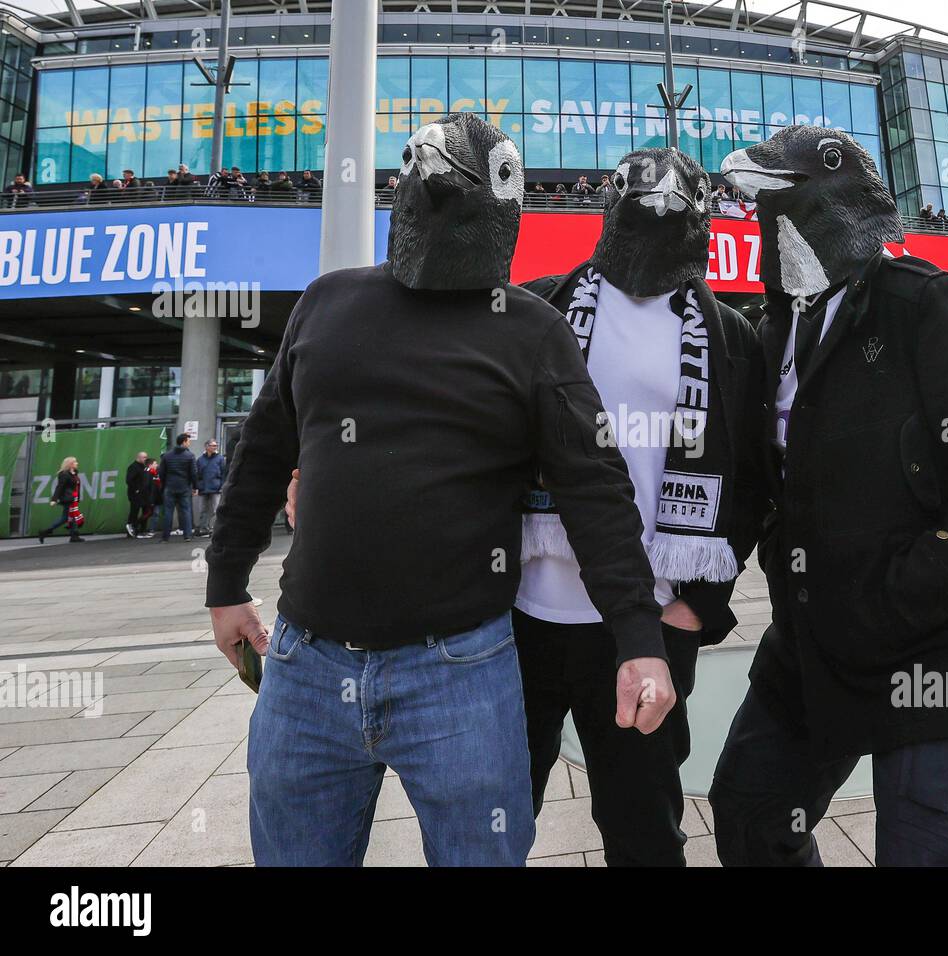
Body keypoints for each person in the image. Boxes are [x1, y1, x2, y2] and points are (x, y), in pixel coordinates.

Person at [207, 115, 675, 868]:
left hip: (460, 676)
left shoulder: (531, 330)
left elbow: (595, 490)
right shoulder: (327, 303)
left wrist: (638, 637)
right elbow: (263, 450)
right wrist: (226, 583)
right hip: (305, 670)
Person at [714, 125, 948, 867]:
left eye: (782, 192)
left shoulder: (926, 305)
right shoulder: (775, 332)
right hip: (807, 649)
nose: (764, 218)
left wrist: (899, 594)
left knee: (930, 850)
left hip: (936, 653)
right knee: (750, 818)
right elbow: (751, 488)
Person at [508, 147, 765, 866]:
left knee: (646, 829)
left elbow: (753, 485)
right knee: (493, 821)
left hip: (648, 626)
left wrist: (698, 605)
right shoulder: (538, 308)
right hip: (526, 617)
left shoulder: (729, 339)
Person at [157, 433, 199, 542]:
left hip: (169, 486)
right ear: (184, 442)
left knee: (168, 512)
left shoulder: (167, 455)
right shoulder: (190, 456)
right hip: (184, 486)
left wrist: (164, 484)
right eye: (188, 441)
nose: (189, 443)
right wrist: (195, 486)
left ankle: (165, 537)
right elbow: (194, 473)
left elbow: (161, 473)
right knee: (186, 511)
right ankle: (187, 535)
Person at [37, 457, 86, 544]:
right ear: (70, 464)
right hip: (68, 499)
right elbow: (59, 487)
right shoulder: (64, 474)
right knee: (67, 518)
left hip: (73, 498)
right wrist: (54, 499)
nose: (77, 463)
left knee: (71, 517)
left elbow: (76, 487)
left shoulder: (74, 473)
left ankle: (74, 536)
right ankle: (45, 532)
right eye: (75, 462)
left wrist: (77, 497)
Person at [195, 438, 226, 537]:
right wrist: (197, 486)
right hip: (203, 488)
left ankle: (213, 528)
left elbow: (223, 473)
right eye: (213, 445)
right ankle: (203, 529)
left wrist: (222, 485)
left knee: (215, 510)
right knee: (202, 510)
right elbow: (197, 474)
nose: (215, 447)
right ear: (207, 447)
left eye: (216, 446)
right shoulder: (200, 460)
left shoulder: (220, 459)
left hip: (215, 488)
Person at [125, 451, 151, 537]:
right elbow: (129, 480)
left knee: (146, 512)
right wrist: (136, 490)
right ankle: (131, 531)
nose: (146, 459)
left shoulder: (144, 467)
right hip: (135, 495)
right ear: (138, 457)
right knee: (134, 512)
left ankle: (142, 530)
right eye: (144, 457)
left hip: (144, 494)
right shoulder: (133, 467)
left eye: (146, 457)